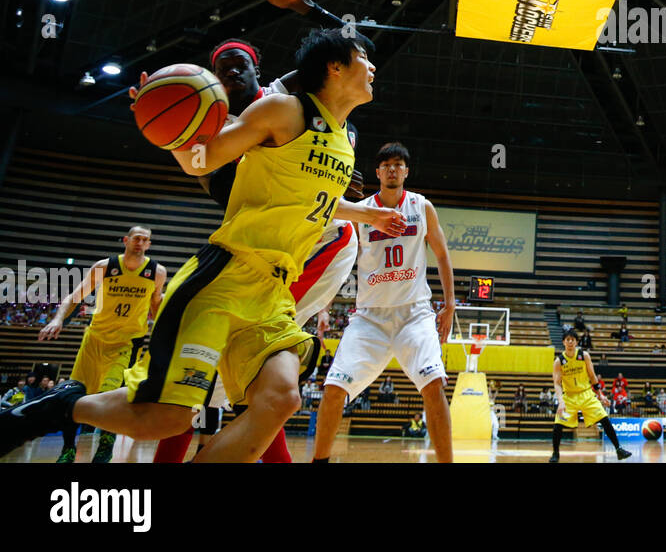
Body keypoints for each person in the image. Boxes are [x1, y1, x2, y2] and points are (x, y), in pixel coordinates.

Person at [0, 28, 404, 462]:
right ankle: (55, 408)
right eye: (364, 57)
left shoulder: (342, 138)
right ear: (335, 66)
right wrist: (170, 124)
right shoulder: (283, 111)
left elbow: (313, 199)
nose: (374, 67)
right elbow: (204, 159)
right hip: (223, 279)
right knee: (167, 418)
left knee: (282, 397)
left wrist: (368, 214)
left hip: (270, 294)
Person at [313, 142, 456, 463]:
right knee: (334, 389)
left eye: (398, 164)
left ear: (406, 171)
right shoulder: (360, 211)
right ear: (377, 172)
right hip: (369, 319)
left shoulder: (422, 207)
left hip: (415, 315)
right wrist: (323, 307)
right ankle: (318, 460)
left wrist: (450, 304)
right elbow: (339, 259)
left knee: (434, 386)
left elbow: (443, 254)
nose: (392, 169)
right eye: (386, 165)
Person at [38, 226, 166, 463]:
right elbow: (76, 296)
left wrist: (164, 330)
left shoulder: (156, 272)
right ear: (126, 240)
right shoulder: (104, 267)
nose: (140, 243)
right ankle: (68, 449)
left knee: (112, 392)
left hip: (128, 342)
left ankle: (106, 446)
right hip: (95, 339)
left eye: (145, 240)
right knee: (75, 393)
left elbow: (156, 304)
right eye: (136, 238)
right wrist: (58, 319)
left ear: (149, 245)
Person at [549, 329, 631, 462]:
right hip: (569, 396)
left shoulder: (584, 355)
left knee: (604, 419)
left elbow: (593, 377)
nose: (570, 342)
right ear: (563, 342)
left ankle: (619, 449)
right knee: (558, 424)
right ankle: (555, 454)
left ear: (576, 342)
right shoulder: (559, 361)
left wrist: (601, 395)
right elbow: (557, 383)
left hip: (586, 393)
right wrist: (561, 401)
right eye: (567, 339)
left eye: (572, 339)